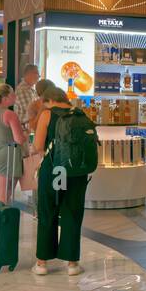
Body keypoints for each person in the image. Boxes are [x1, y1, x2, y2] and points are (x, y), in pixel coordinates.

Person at [31, 83, 90, 276]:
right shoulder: (81, 114)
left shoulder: (47, 115)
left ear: (48, 100)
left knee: (48, 210)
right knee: (72, 212)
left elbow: (38, 145)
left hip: (56, 170)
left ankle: (42, 263)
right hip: (76, 171)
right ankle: (72, 264)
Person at [14, 64, 40, 129]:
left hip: (27, 127)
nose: (39, 77)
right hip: (24, 129)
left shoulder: (30, 89)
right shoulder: (23, 90)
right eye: (37, 73)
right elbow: (32, 110)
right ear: (29, 74)